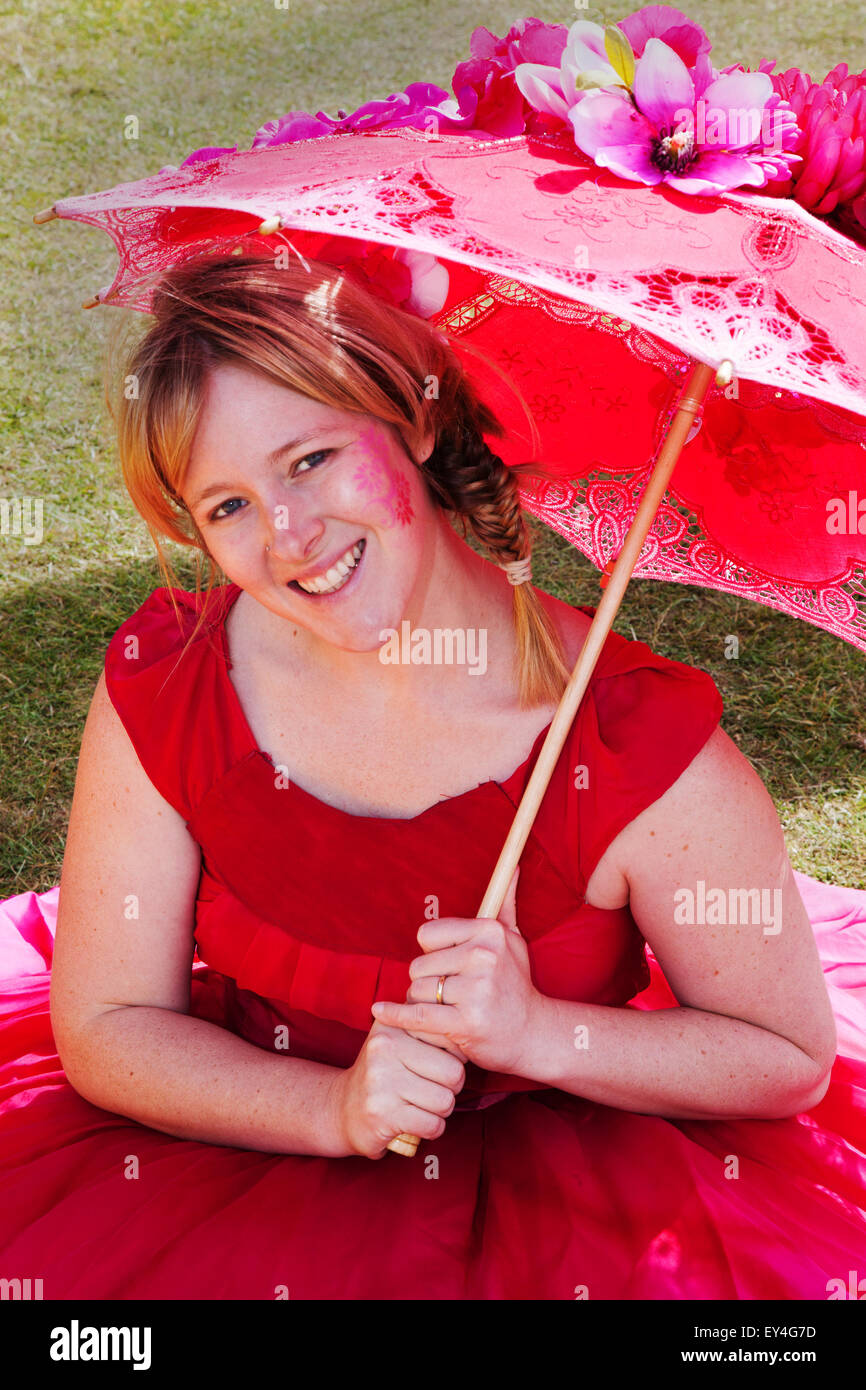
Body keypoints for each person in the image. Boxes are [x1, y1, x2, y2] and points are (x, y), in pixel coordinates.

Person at [0, 252, 864, 1301]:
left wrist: (539, 1032)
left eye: (310, 459)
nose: (287, 535)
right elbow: (106, 1024)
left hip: (574, 1193)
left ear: (411, 420)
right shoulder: (171, 684)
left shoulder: (631, 748)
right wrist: (332, 1109)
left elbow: (782, 1059)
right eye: (226, 506)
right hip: (236, 1138)